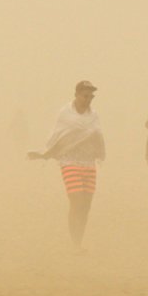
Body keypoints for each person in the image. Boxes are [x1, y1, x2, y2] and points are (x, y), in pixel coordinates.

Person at [28, 81, 105, 252]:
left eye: (91, 96)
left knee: (86, 206)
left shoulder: (94, 115)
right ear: (77, 95)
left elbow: (98, 134)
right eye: (85, 96)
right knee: (76, 202)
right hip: (69, 161)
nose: (88, 100)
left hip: (89, 162)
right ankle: (75, 244)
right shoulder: (65, 113)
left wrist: (99, 151)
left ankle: (79, 240)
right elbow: (58, 135)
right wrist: (45, 153)